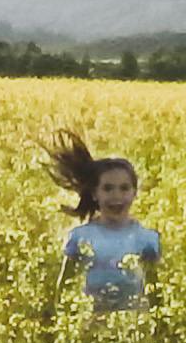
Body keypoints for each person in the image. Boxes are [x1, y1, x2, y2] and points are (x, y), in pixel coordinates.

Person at [46, 130, 161, 315]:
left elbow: (155, 293)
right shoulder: (81, 237)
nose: (116, 197)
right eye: (108, 189)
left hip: (133, 330)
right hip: (91, 328)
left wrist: (159, 332)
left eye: (124, 189)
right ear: (94, 193)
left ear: (134, 193)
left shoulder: (146, 239)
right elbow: (64, 288)